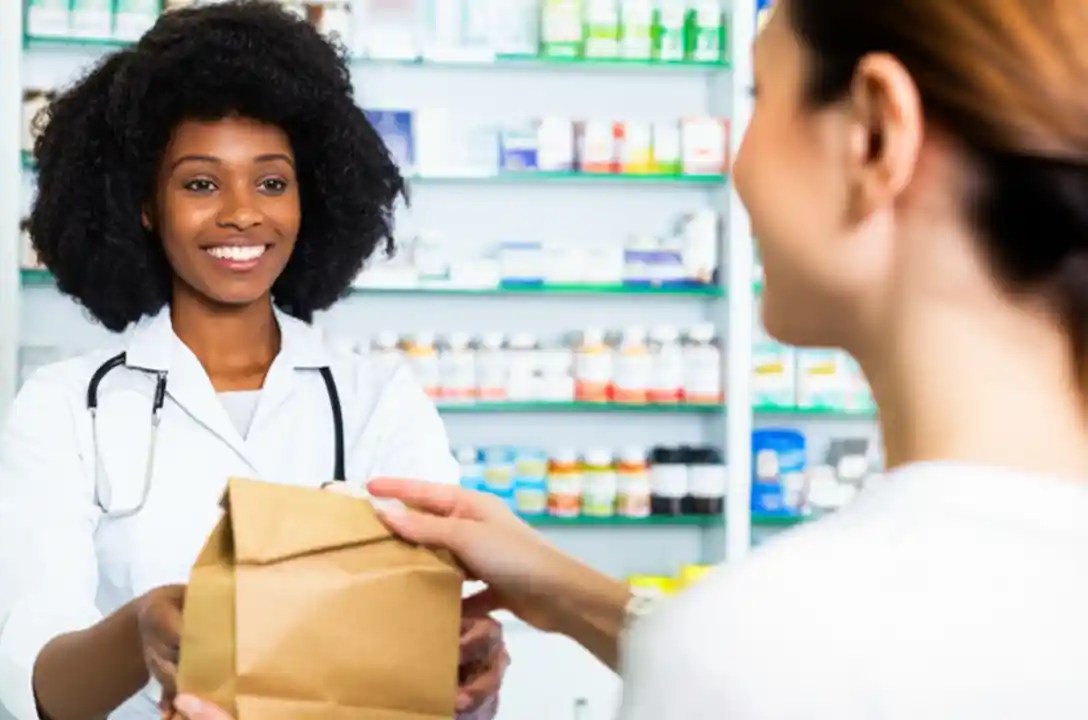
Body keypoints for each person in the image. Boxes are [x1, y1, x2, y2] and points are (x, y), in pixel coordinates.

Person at [371, 1, 1088, 718]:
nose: (737, 165)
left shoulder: (764, 644)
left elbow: (778, 668)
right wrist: (575, 595)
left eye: (760, 97)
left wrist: (698, 646)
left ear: (874, 134)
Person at [0, 4, 505, 719]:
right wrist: (140, 633)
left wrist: (468, 665)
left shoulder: (378, 399)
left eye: (271, 182)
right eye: (201, 183)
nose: (242, 214)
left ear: (310, 197)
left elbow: (436, 635)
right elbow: (35, 684)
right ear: (143, 205)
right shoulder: (66, 404)